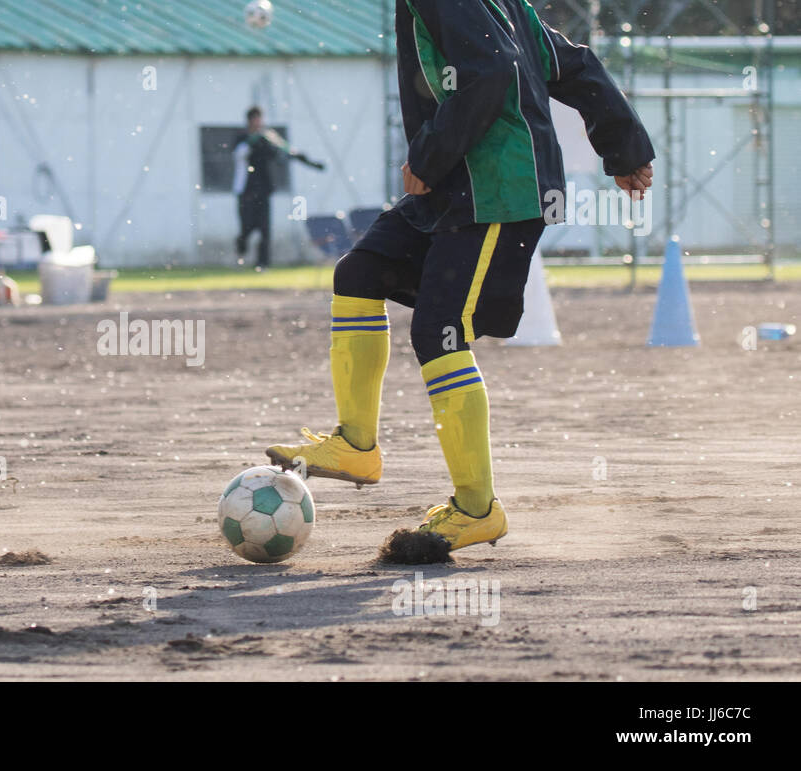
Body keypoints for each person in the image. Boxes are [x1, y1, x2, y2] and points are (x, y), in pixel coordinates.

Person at [266, 0, 655, 552]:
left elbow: (492, 73)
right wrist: (625, 147)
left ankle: (476, 509)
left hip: (500, 188)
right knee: (360, 273)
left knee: (439, 330)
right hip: (460, 186)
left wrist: (427, 155)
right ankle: (356, 444)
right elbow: (574, 63)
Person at [233, 106, 326, 269]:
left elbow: (285, 151)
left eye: (260, 119)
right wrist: (254, 138)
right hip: (246, 190)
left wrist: (309, 162)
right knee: (246, 228)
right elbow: (239, 154)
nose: (258, 122)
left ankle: (263, 263)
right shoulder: (242, 139)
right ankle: (241, 249)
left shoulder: (267, 137)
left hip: (264, 189)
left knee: (264, 229)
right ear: (249, 121)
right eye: (255, 119)